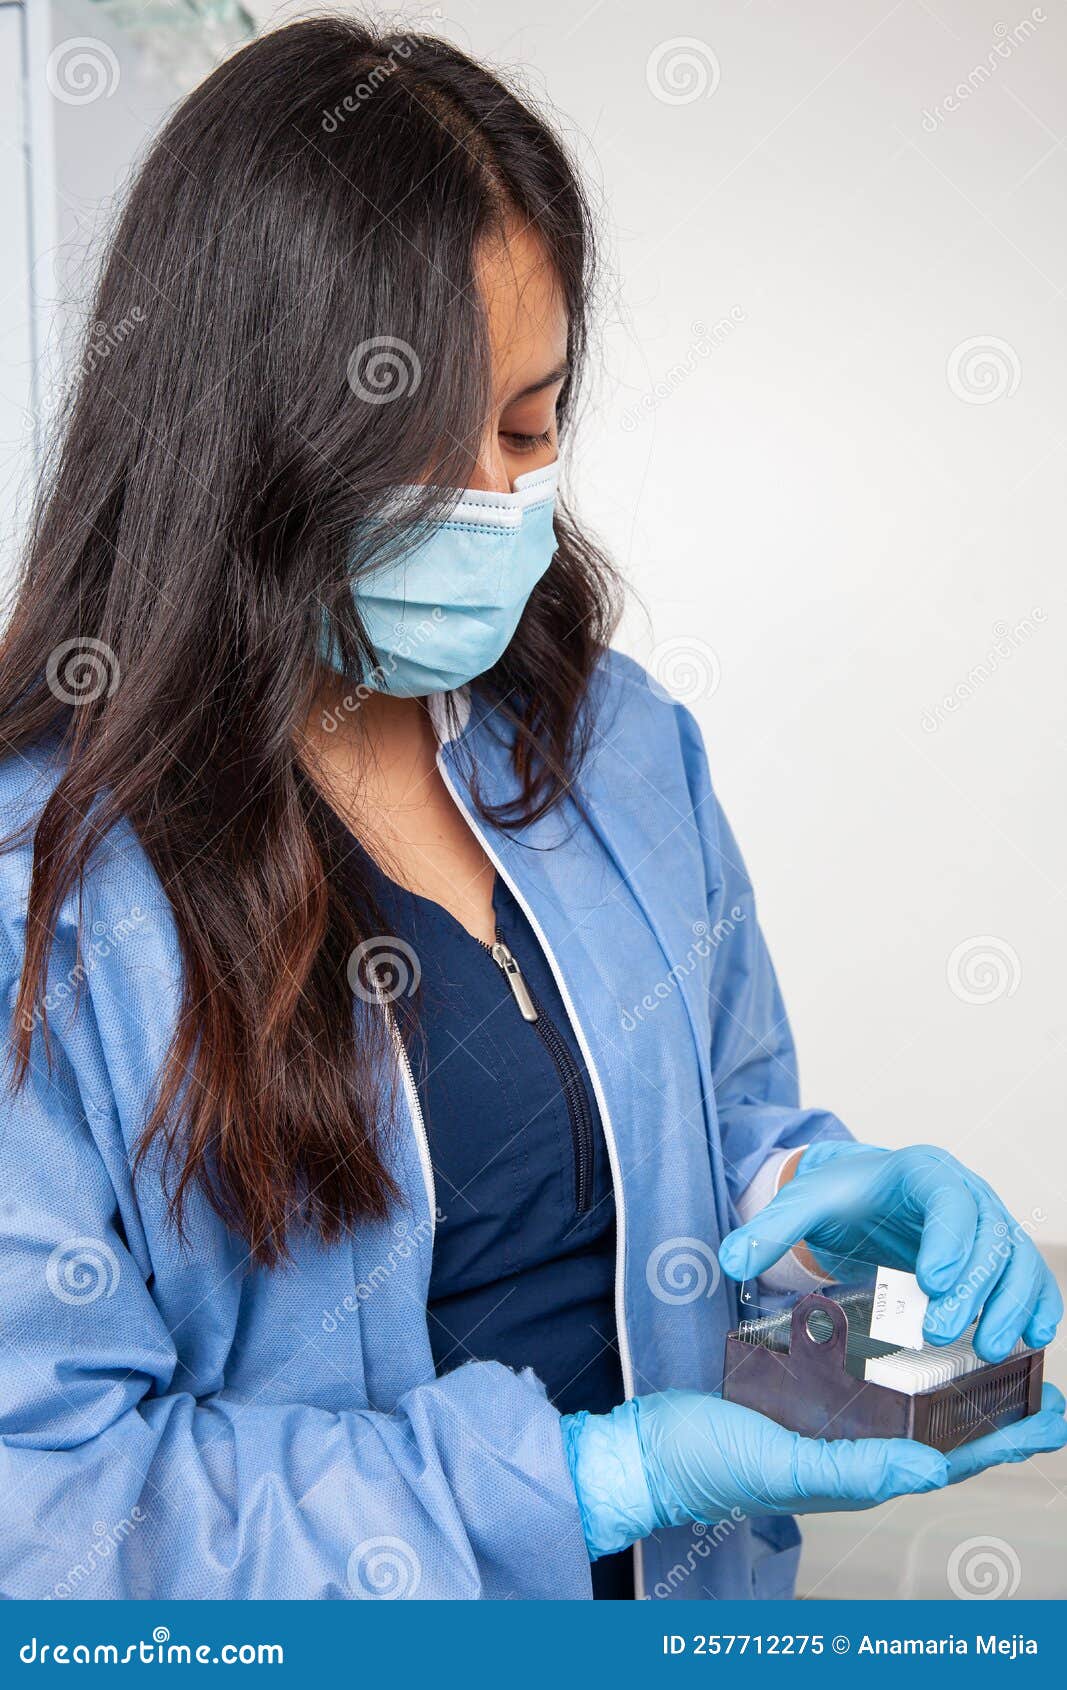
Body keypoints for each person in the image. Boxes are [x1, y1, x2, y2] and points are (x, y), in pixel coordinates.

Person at [0, 17, 1061, 1603]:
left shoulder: (620, 745)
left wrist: (822, 1229)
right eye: (430, 446)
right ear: (255, 442)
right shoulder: (54, 892)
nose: (503, 502)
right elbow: (51, 1507)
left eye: (531, 423)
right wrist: (575, 1482)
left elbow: (720, 1134)